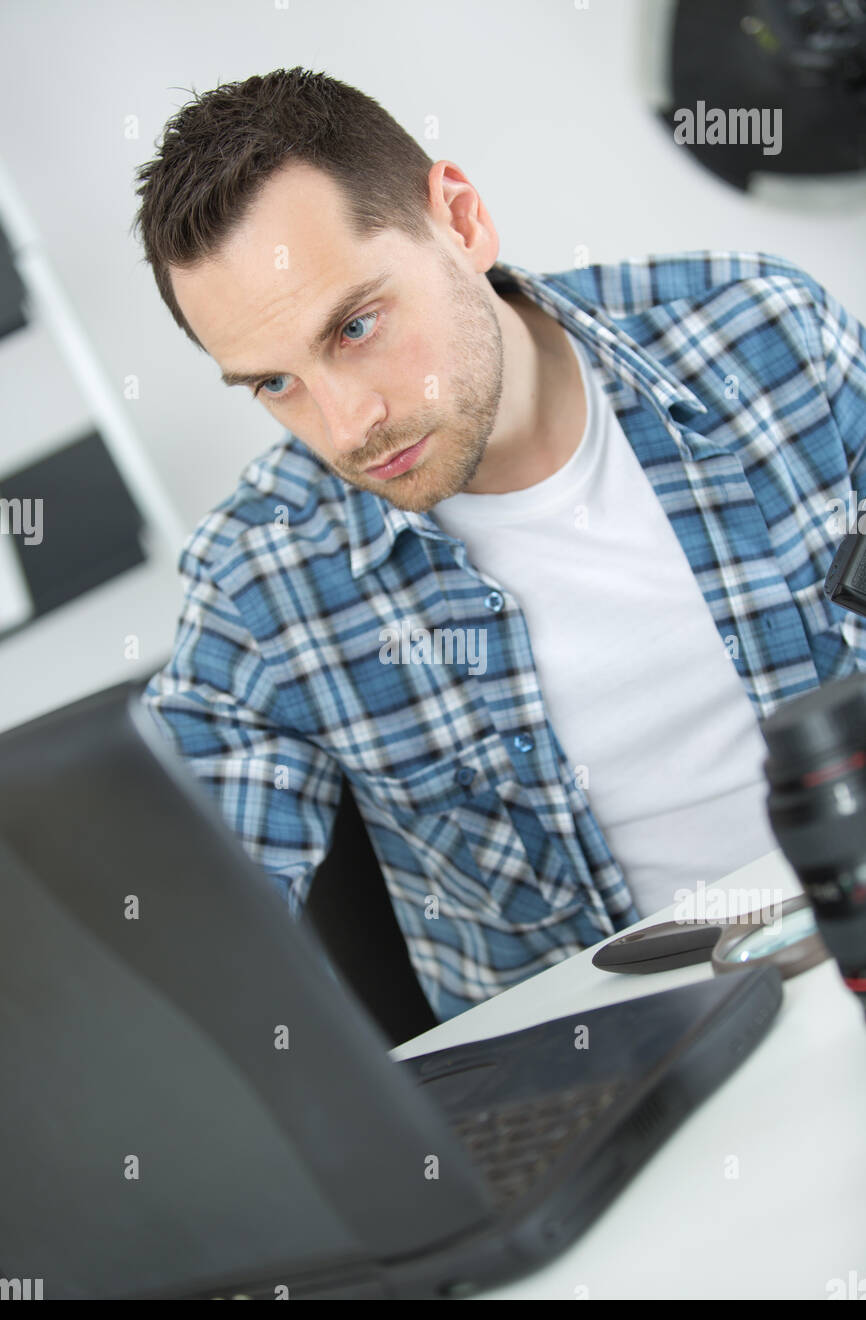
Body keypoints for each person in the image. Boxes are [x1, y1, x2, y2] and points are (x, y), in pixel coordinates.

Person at [133, 66, 866, 1023]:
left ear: (462, 222)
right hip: (619, 1087)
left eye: (356, 327)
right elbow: (177, 943)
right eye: (275, 385)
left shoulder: (764, 338)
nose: (349, 425)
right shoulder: (261, 583)